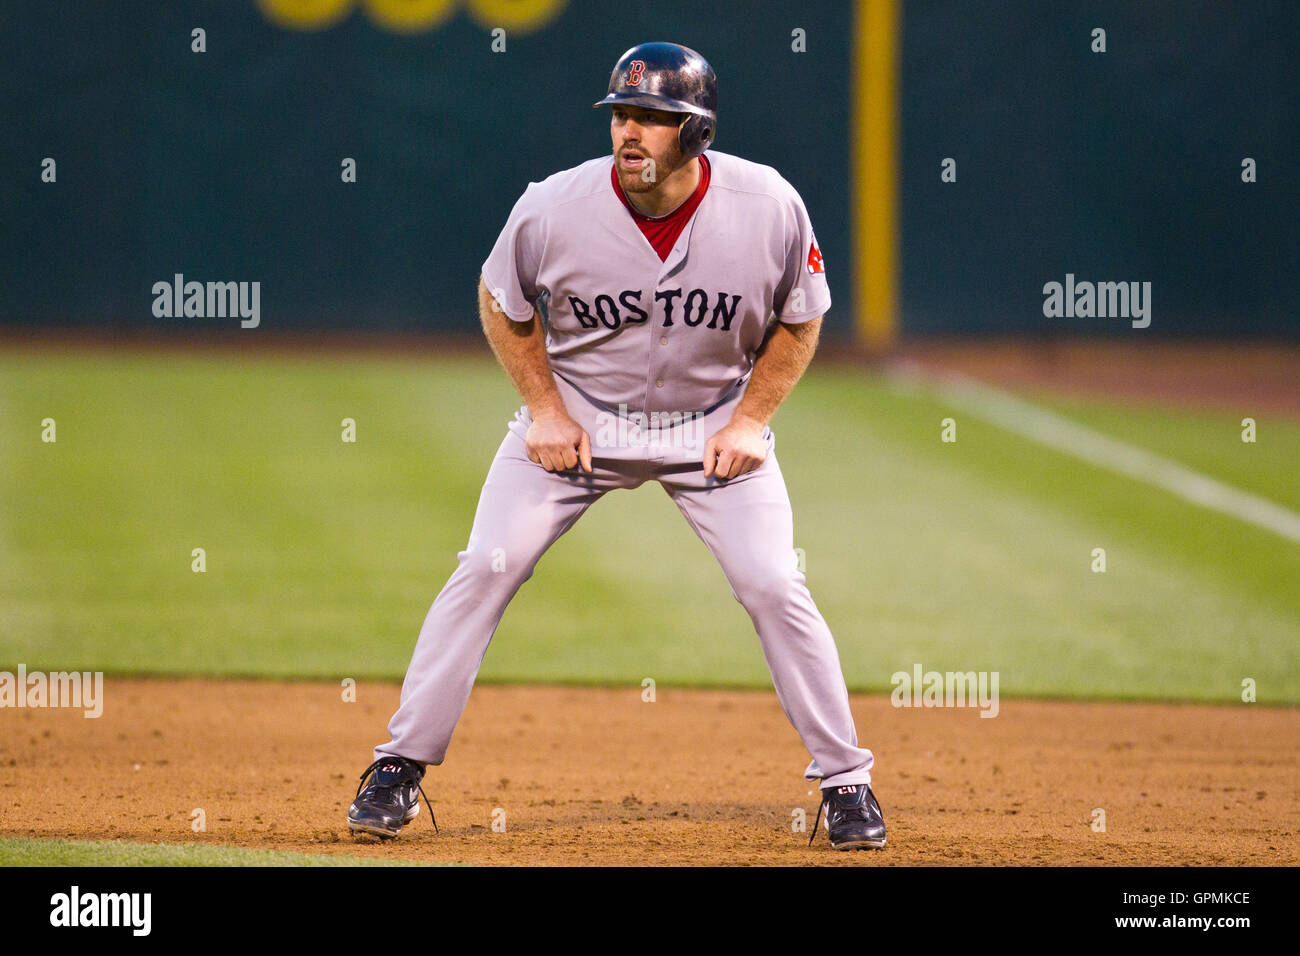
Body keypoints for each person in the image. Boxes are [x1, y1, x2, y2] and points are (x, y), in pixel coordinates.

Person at [347, 41, 885, 851]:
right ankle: (398, 767)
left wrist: (749, 421)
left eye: (653, 119)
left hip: (710, 423)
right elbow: (502, 300)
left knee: (775, 583)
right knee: (488, 565)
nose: (630, 132)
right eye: (622, 116)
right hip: (583, 417)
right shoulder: (554, 206)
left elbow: (802, 314)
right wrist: (543, 407)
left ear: (695, 132)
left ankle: (847, 782)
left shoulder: (767, 203)